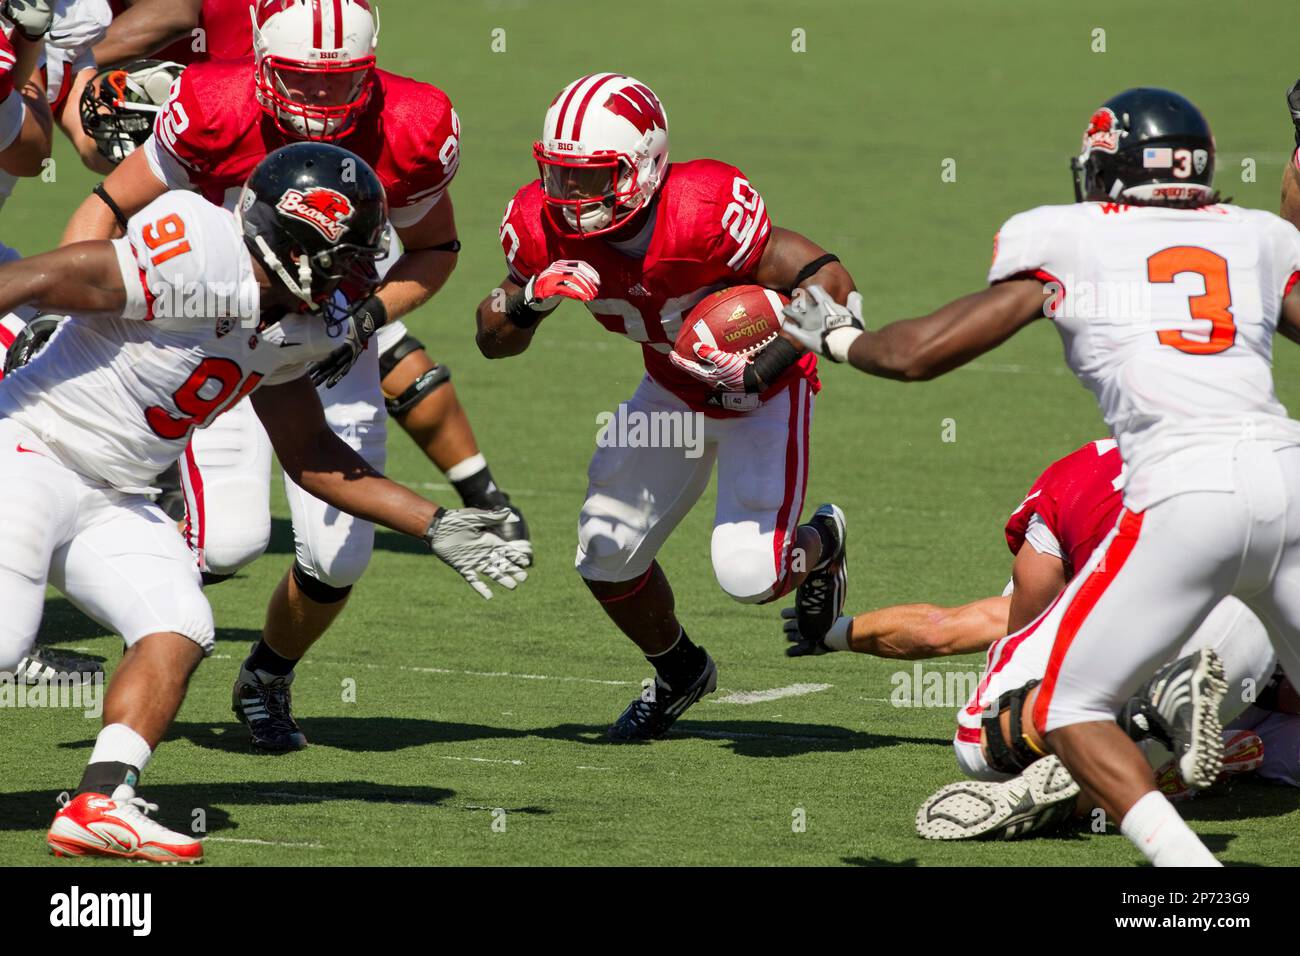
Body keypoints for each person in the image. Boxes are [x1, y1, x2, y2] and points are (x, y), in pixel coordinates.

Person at [783, 88, 1300, 866]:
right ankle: (1172, 721)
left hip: (1189, 490)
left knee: (1070, 703)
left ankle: (1193, 875)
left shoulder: (1071, 236)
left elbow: (923, 353)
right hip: (1291, 478)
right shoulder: (1257, 236)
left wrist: (842, 339)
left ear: (1106, 171)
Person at [0, 143, 529, 862]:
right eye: (345, 261)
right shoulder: (195, 252)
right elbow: (31, 279)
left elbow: (311, 453)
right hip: (31, 449)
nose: (359, 280)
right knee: (5, 638)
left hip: (117, 494)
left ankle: (100, 802)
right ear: (294, 244)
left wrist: (435, 524)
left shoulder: (299, 326)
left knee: (178, 621)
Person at [61, 0, 530, 751]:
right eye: (300, 83)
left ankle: (268, 674)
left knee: (338, 557)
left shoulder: (413, 123)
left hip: (321, 331)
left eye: (339, 83)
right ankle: (140, 612)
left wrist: (364, 319)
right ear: (259, 61)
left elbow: (434, 250)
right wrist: (83, 317)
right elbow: (109, 205)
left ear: (371, 71)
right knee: (227, 545)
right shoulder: (213, 101)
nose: (319, 104)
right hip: (215, 331)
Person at [476, 73, 857, 739]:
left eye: (590, 179)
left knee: (752, 578)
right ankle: (682, 671)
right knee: (605, 552)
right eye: (559, 176)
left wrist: (762, 365)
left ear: (647, 167)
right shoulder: (540, 228)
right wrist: (529, 301)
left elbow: (830, 281)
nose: (568, 198)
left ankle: (821, 544)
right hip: (669, 393)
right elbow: (492, 342)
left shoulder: (705, 208)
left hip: (761, 397)